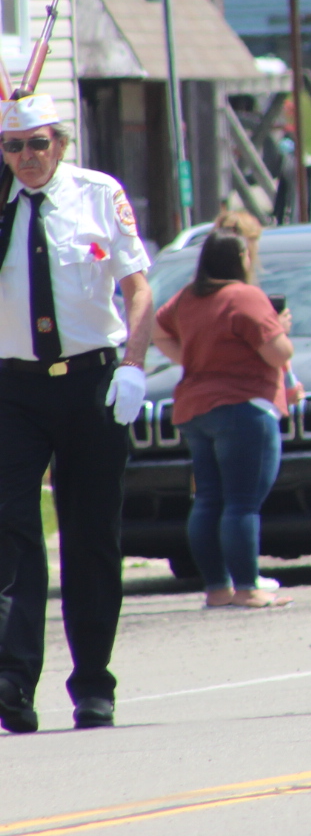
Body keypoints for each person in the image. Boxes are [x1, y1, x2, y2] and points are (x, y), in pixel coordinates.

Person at [0, 95, 153, 733]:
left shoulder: (97, 195)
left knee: (92, 537)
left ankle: (93, 682)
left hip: (91, 382)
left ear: (60, 144)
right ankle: (13, 680)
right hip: (13, 389)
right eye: (13, 147)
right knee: (11, 534)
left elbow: (137, 286)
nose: (27, 158)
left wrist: (135, 365)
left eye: (38, 144)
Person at [152, 229, 296, 610]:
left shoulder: (188, 297)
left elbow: (156, 329)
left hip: (195, 408)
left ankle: (217, 588)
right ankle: (248, 588)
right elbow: (277, 353)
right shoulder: (245, 296)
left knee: (209, 500)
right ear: (240, 259)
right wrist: (280, 326)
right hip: (243, 406)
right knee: (242, 504)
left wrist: (189, 356)